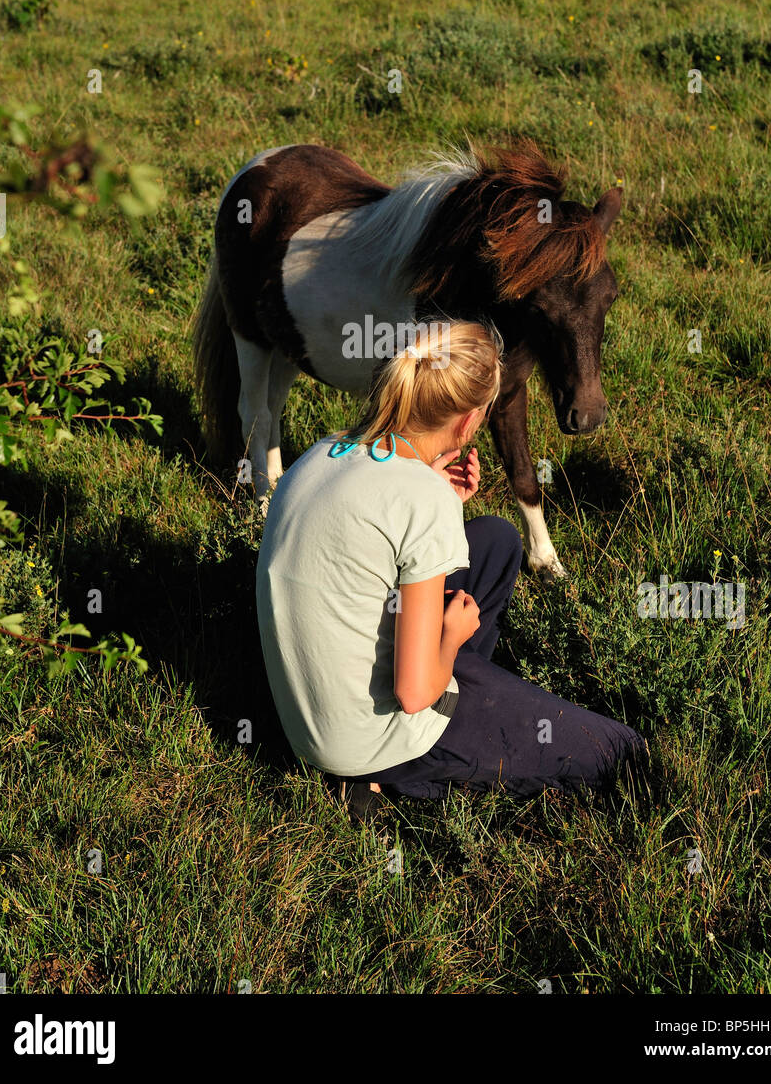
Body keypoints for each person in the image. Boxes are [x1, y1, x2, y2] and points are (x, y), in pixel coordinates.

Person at [255, 320, 649, 820]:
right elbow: (414, 693)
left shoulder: (326, 449)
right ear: (467, 422)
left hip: (307, 718)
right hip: (369, 738)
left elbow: (375, 528)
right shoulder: (419, 499)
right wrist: (450, 632)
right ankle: (405, 774)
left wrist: (437, 496)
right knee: (621, 751)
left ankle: (457, 692)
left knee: (498, 540)